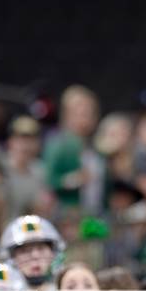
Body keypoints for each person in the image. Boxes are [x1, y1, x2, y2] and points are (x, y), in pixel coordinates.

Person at [43, 85, 104, 214]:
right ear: (67, 115)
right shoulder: (58, 144)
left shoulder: (96, 146)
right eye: (81, 113)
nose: (86, 118)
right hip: (67, 214)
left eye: (90, 113)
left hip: (95, 214)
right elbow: (47, 180)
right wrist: (74, 180)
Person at [0, 214, 64, 291]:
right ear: (11, 258)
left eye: (41, 248)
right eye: (25, 251)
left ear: (54, 254)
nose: (35, 256)